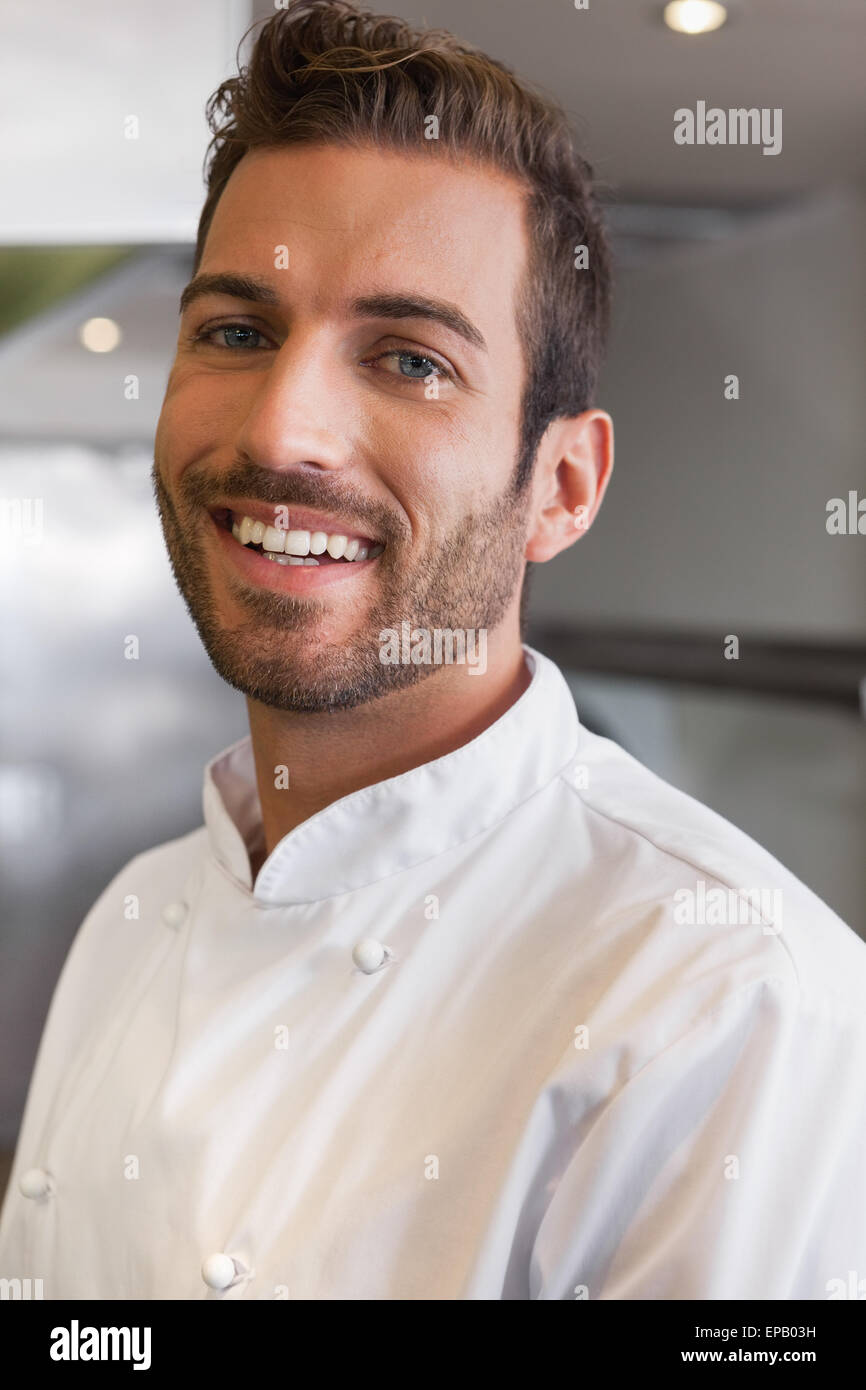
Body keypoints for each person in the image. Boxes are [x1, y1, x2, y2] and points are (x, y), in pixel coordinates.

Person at [2, 0, 865, 1301]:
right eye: (236, 331)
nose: (283, 431)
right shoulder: (135, 914)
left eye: (407, 358)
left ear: (562, 485)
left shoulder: (735, 1000)